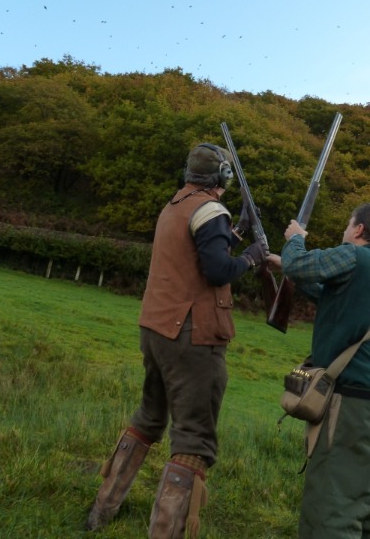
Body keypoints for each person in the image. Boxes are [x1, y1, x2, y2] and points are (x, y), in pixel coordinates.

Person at [85, 142, 268, 538]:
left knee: (149, 418)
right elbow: (218, 270)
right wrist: (253, 256)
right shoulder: (209, 210)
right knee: (193, 441)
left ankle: (102, 509)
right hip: (193, 337)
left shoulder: (175, 206)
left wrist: (235, 232)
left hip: (156, 329)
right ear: (222, 178)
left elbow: (202, 253)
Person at [268, 202, 370, 539]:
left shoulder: (355, 256)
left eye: (347, 225)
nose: (345, 231)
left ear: (358, 231)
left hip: (351, 403)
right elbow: (326, 292)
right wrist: (282, 265)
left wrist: (296, 239)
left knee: (331, 510)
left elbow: (300, 265)